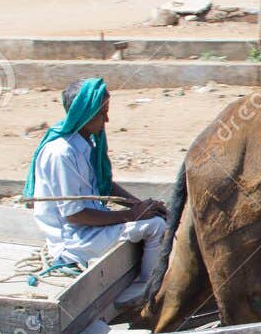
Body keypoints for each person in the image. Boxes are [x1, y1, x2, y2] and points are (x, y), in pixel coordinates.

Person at [24, 78, 168, 307]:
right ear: (85, 114)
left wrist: (140, 205)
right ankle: (144, 291)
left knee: (158, 217)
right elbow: (75, 215)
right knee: (157, 226)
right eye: (102, 114)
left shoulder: (84, 143)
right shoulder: (62, 153)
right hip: (72, 240)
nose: (107, 120)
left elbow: (103, 185)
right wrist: (133, 215)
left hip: (86, 228)